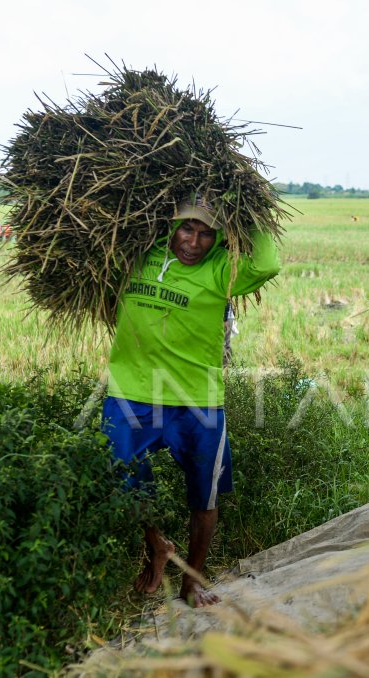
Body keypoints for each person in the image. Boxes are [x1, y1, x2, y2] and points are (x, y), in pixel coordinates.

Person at [101, 195, 280, 607]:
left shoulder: (221, 270)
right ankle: (157, 545)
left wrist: (252, 208)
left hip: (196, 399)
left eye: (205, 233)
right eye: (186, 228)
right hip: (131, 392)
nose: (194, 242)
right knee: (118, 474)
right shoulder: (137, 259)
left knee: (204, 495)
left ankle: (192, 581)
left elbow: (268, 264)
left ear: (218, 239)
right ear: (170, 227)